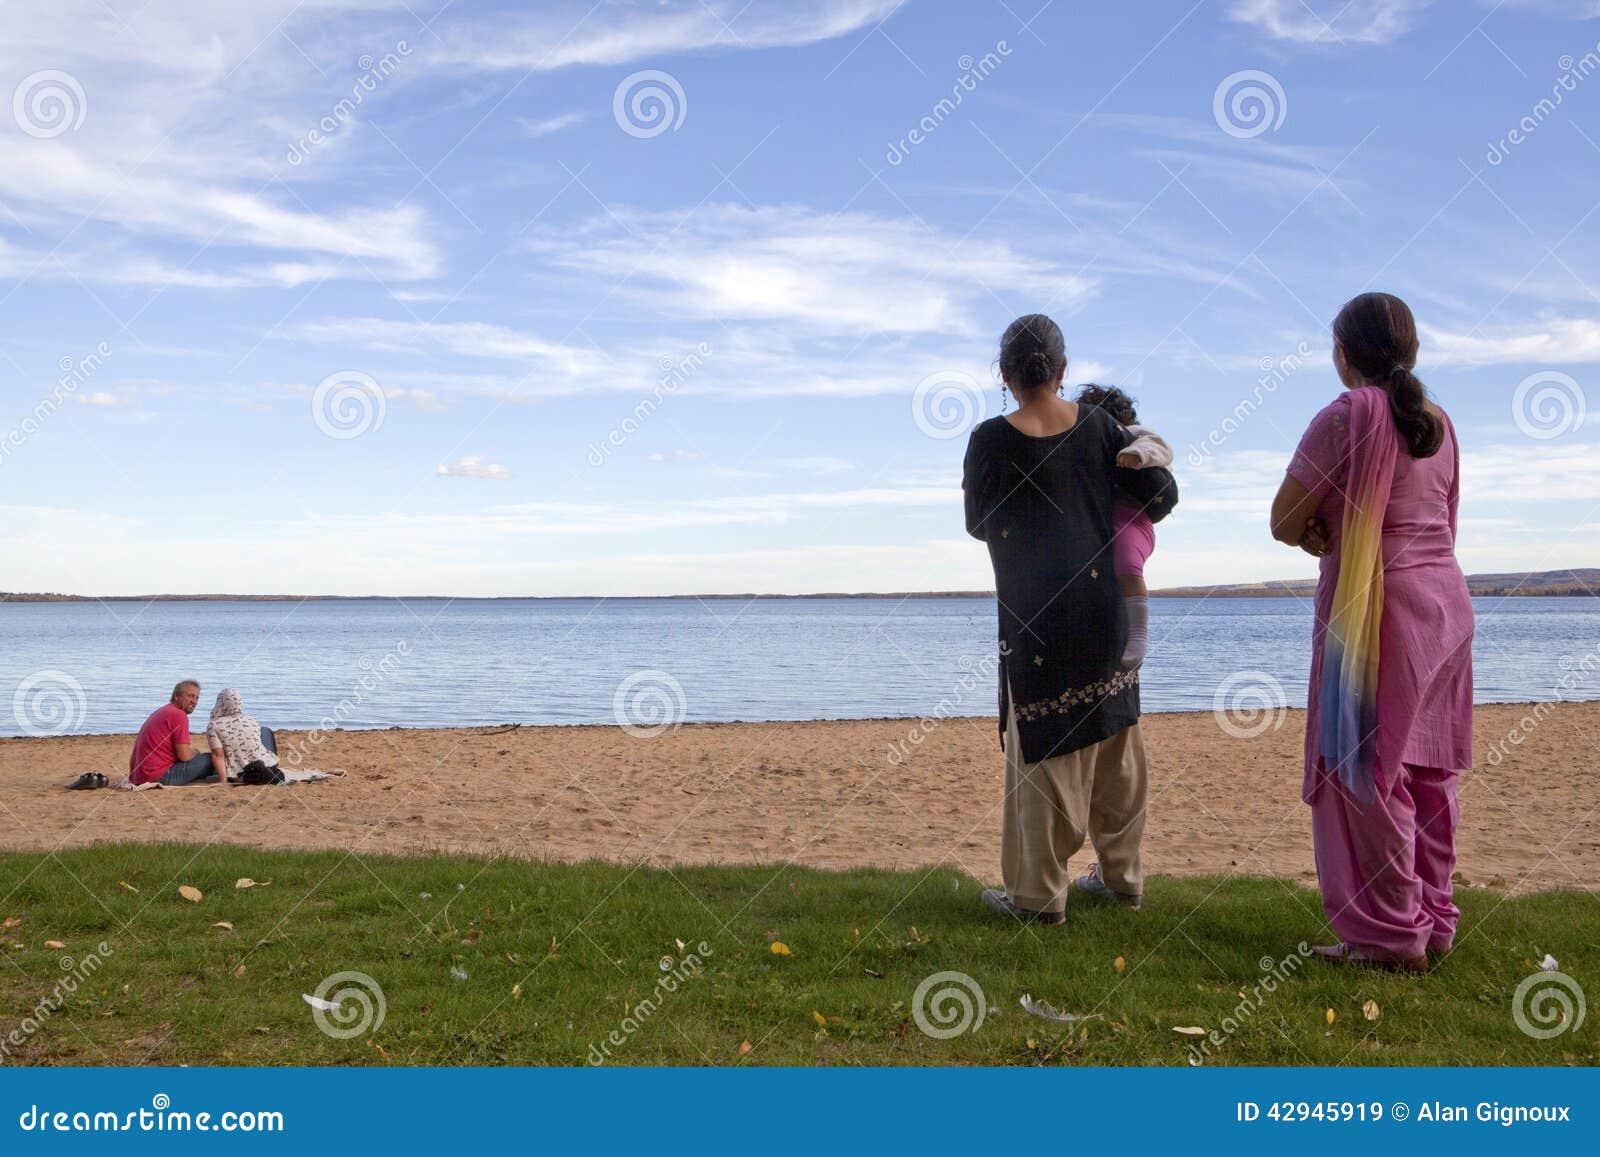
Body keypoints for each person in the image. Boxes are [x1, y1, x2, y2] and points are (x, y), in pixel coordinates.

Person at [1270, 291, 1474, 973]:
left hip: (1376, 607)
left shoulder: (1347, 414)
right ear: (1410, 352)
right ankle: (1434, 918)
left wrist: (1315, 531)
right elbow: (1439, 521)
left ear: (1344, 353)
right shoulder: (1440, 424)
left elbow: (1281, 517)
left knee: (1364, 766)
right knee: (1426, 767)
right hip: (1445, 606)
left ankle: (1389, 933)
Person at [963, 315, 1179, 923]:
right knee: (1115, 744)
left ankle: (1037, 898)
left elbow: (978, 523)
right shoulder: (1102, 429)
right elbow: (1159, 496)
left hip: (1037, 622)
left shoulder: (990, 440)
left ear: (1006, 376)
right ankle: (1123, 879)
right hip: (1107, 609)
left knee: (1045, 757)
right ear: (1062, 370)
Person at [1075, 385, 1173, 669]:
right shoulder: (1080, 442)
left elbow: (1160, 446)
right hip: (1100, 518)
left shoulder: (1132, 434)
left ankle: (1139, 634)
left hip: (1132, 519)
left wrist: (1136, 454)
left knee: (1127, 563)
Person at [129, 679, 223, 787]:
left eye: (197, 697)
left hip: (138, 775)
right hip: (157, 776)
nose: (194, 701)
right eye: (190, 696)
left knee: (199, 758)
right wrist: (195, 753)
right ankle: (226, 777)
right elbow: (184, 756)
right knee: (212, 758)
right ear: (176, 696)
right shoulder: (178, 715)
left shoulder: (164, 710)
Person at [204, 688, 280, 781]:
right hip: (268, 766)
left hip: (240, 772)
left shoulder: (214, 725)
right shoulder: (251, 720)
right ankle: (265, 757)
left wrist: (223, 780)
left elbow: (218, 755)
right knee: (265, 730)